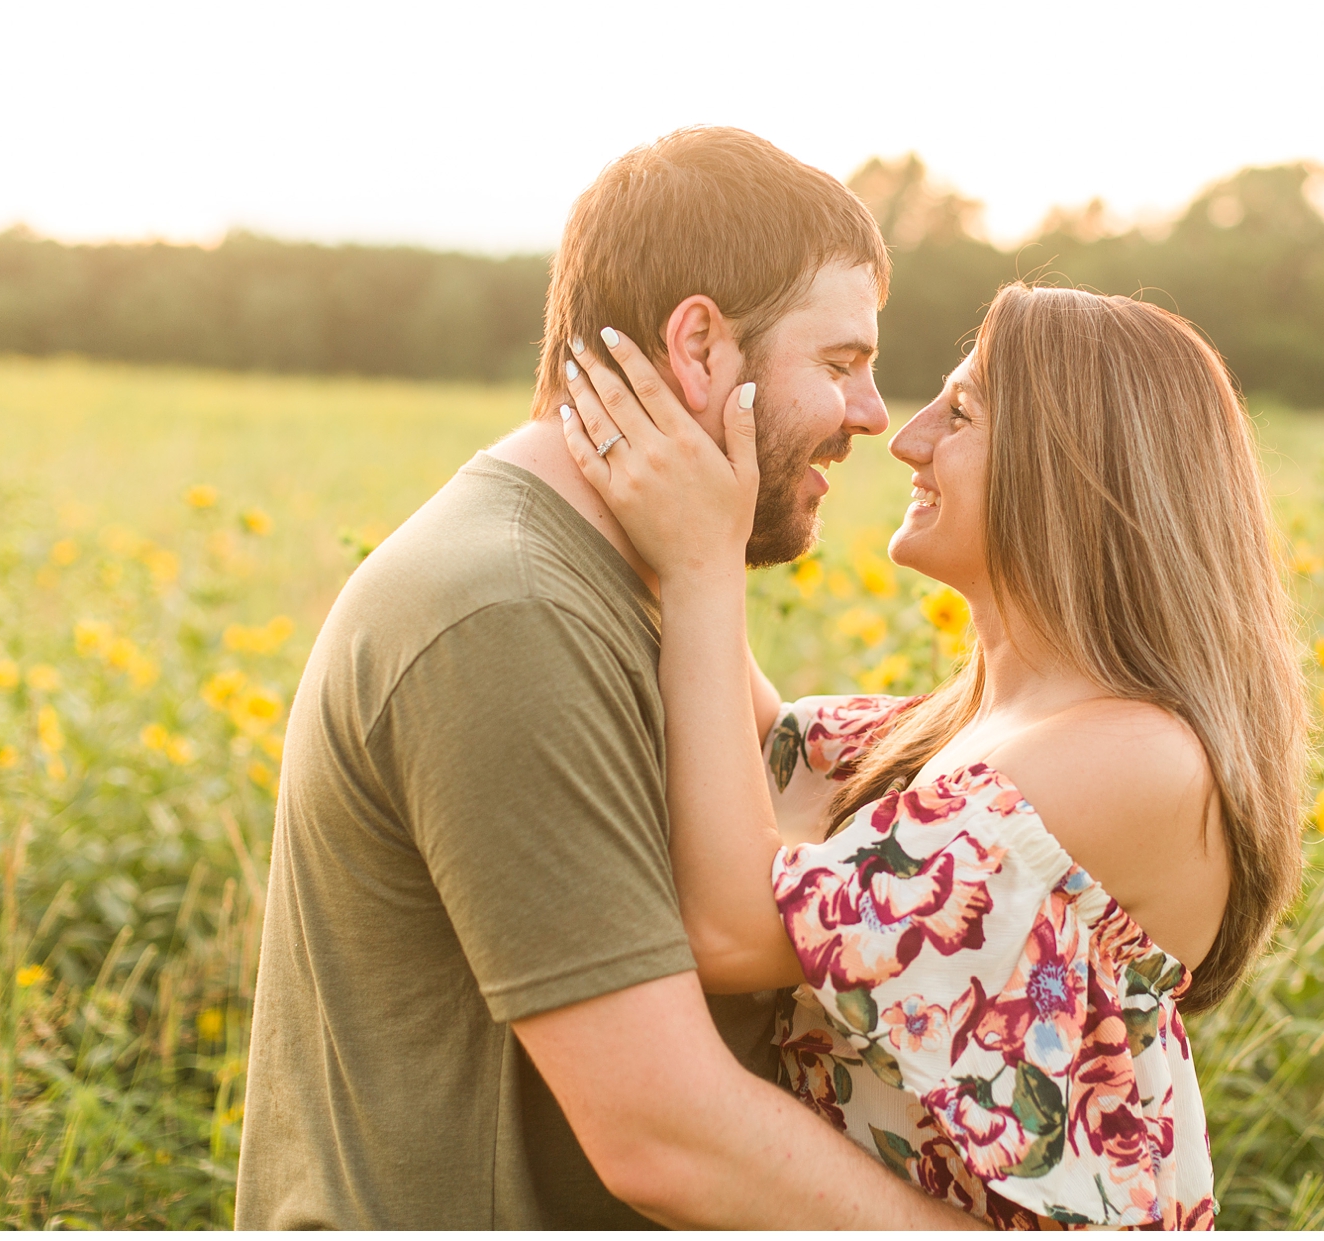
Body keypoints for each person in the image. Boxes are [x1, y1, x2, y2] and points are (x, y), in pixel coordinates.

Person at [235, 127, 977, 1229]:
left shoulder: (628, 579)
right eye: (838, 365)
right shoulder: (509, 614)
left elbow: (811, 802)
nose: (871, 417)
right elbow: (660, 1130)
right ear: (699, 346)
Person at [556, 283, 1312, 1228]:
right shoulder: (963, 729)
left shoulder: (1141, 760)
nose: (907, 439)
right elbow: (752, 743)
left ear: (1073, 466)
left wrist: (704, 562)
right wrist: (682, 454)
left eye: (960, 412)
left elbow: (731, 925)